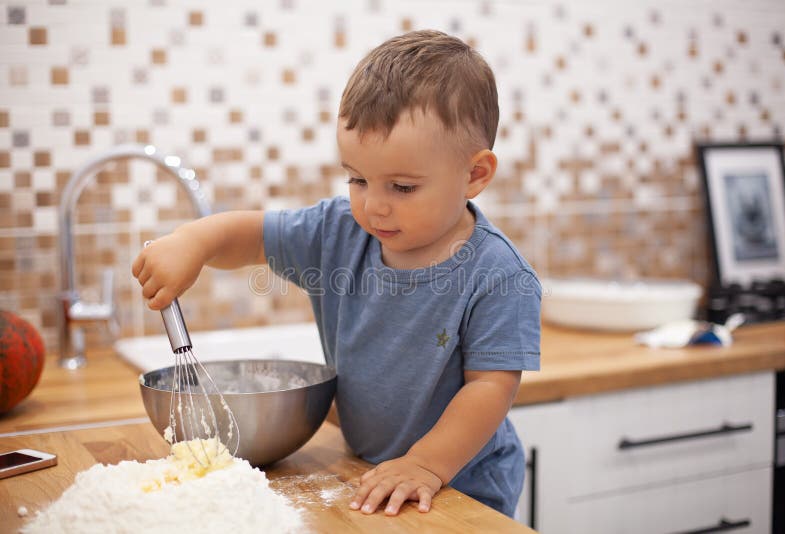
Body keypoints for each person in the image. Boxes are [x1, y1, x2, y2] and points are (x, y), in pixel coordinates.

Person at [132, 29, 541, 518]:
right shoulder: (338, 232)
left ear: (476, 174)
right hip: (369, 469)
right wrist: (195, 242)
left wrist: (426, 465)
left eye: (403, 187)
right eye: (358, 179)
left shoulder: (497, 274)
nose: (373, 205)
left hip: (460, 486)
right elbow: (254, 237)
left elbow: (490, 388)